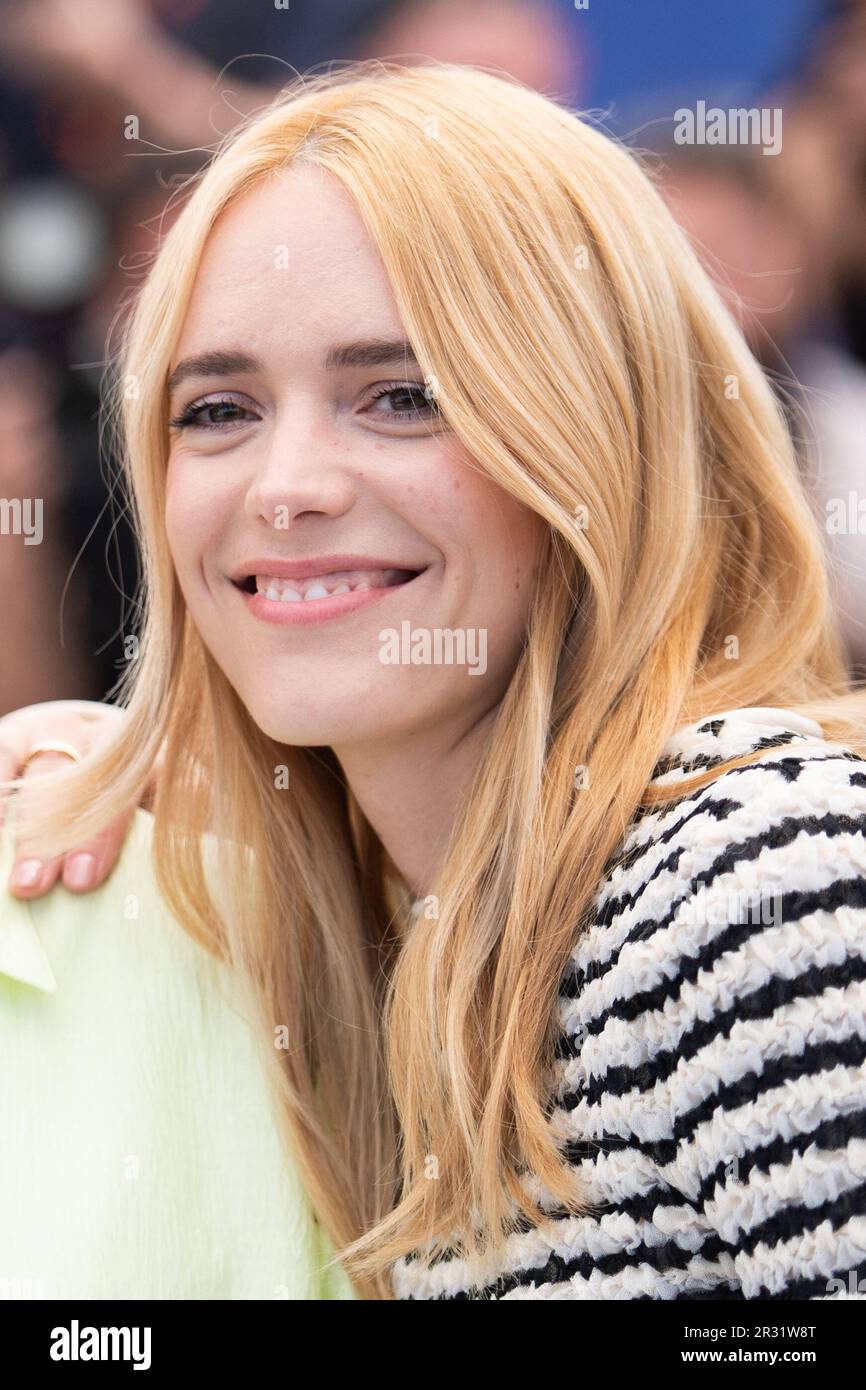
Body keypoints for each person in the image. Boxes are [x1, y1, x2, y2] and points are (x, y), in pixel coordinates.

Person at [2, 60, 865, 1301]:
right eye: (218, 409)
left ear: (595, 432)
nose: (285, 485)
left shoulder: (757, 878)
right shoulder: (372, 952)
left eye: (402, 397)